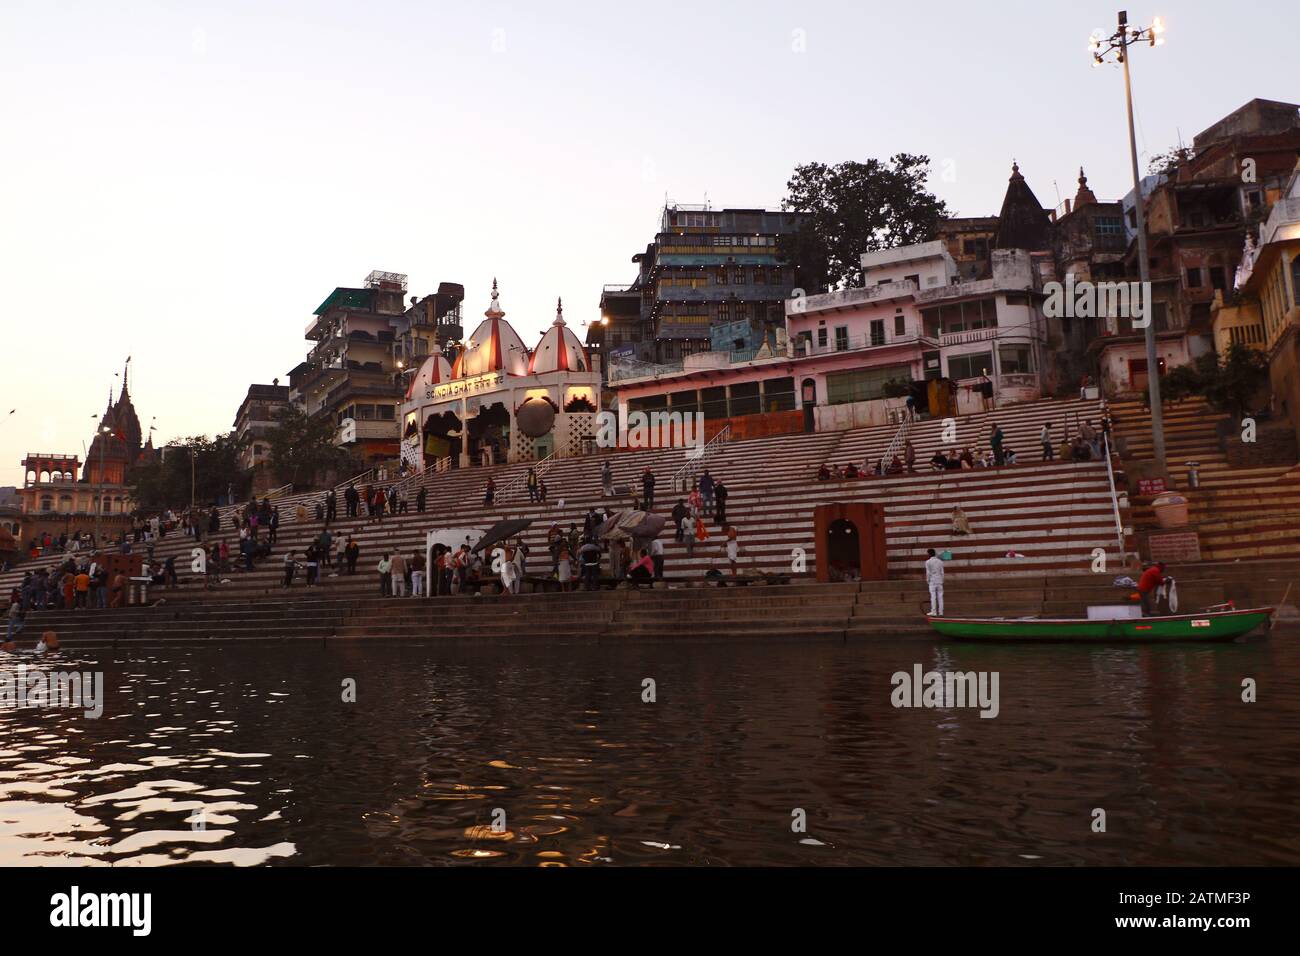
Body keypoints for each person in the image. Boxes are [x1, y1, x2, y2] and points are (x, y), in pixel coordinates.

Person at [925, 548, 945, 616]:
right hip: (939, 581)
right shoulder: (940, 562)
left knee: (933, 597)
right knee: (940, 597)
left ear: (929, 554)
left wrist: (928, 580)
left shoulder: (928, 562)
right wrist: (942, 580)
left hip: (932, 581)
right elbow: (942, 572)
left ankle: (934, 612)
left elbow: (928, 573)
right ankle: (941, 612)